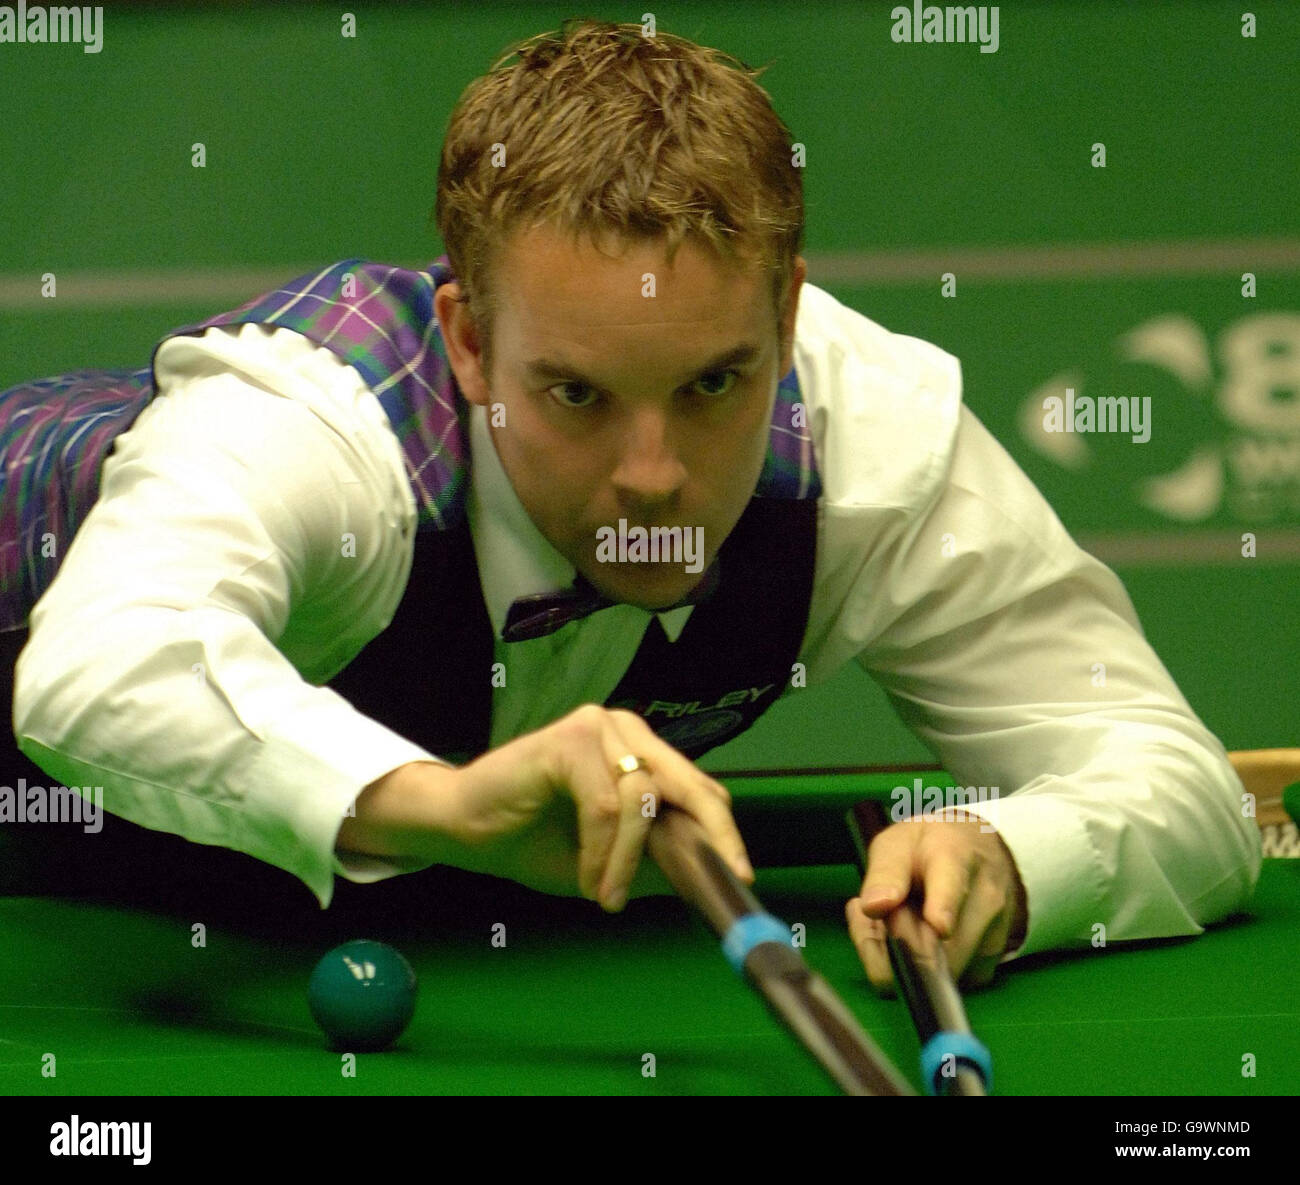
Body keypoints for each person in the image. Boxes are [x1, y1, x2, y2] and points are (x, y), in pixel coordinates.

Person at [1, 20, 1258, 994]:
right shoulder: (317, 427)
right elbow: (100, 665)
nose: (652, 474)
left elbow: (1176, 782)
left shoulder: (868, 434)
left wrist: (1011, 860)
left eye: (715, 383)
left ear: (783, 318)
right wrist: (452, 806)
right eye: (579, 395)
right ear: (471, 342)